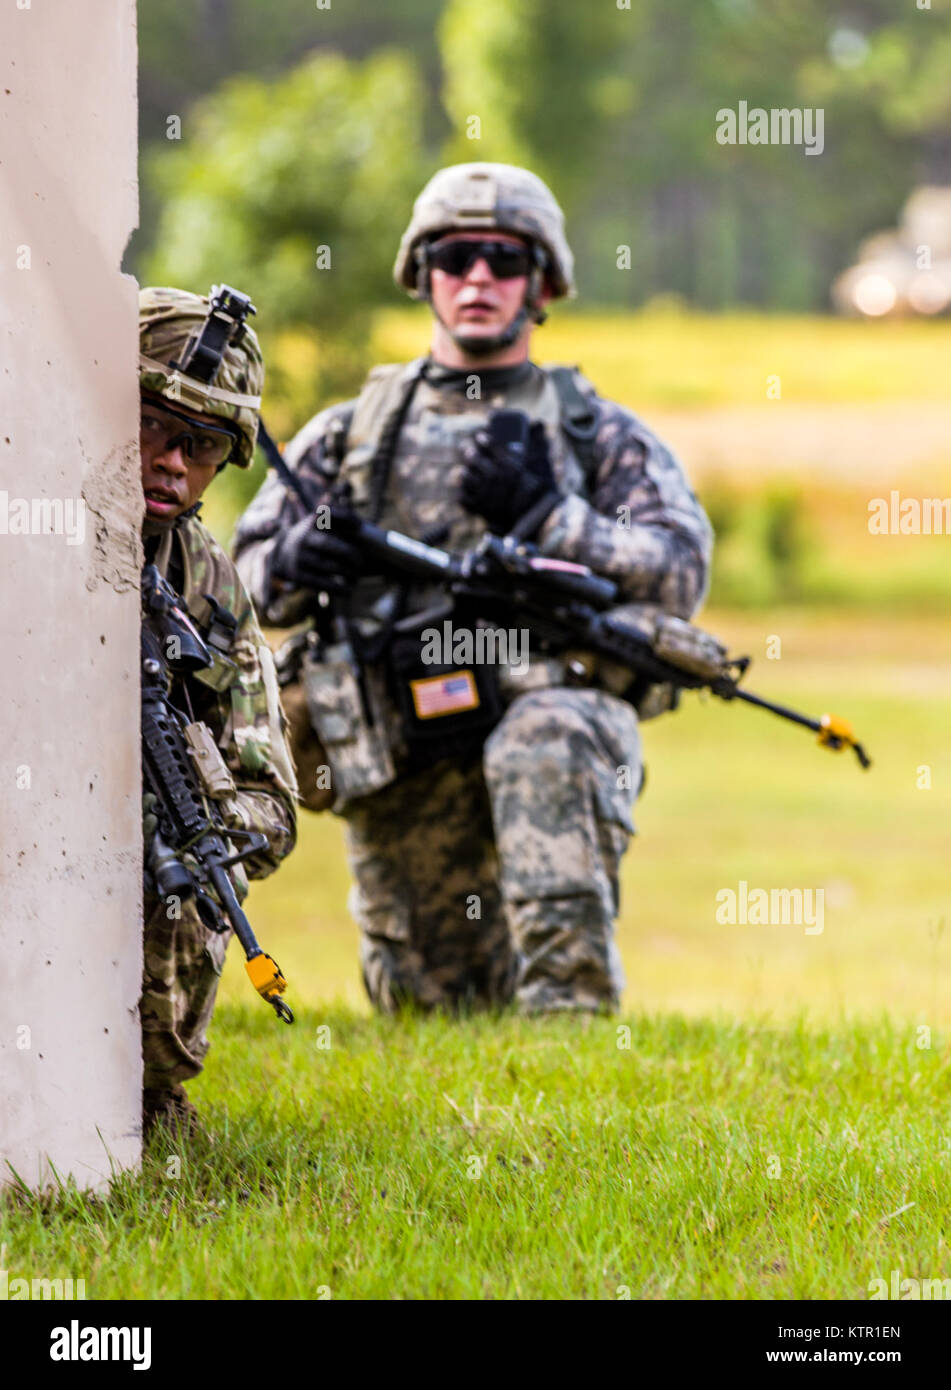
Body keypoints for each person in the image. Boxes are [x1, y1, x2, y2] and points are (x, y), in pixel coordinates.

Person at [232, 163, 712, 1016]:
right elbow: (239, 585)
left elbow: (681, 569)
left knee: (556, 731)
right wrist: (299, 560)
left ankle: (571, 1019)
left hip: (542, 710)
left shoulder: (588, 431)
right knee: (433, 1010)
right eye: (456, 257)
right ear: (424, 275)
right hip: (395, 734)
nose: (479, 278)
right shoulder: (353, 432)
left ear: (542, 284)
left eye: (503, 259)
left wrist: (551, 518)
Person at [138, 285, 298, 1135]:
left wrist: (200, 812)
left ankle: (144, 1089)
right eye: (152, 426)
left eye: (198, 446)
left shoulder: (209, 591)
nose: (170, 462)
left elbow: (271, 805)